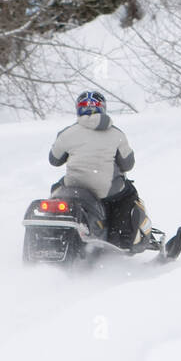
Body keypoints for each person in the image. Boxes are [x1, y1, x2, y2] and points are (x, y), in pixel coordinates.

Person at [48, 91, 153, 250]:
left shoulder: (67, 133)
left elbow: (54, 160)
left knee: (56, 189)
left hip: (74, 186)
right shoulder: (116, 134)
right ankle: (122, 236)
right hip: (104, 191)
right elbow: (127, 164)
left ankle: (53, 228)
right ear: (102, 108)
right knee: (128, 194)